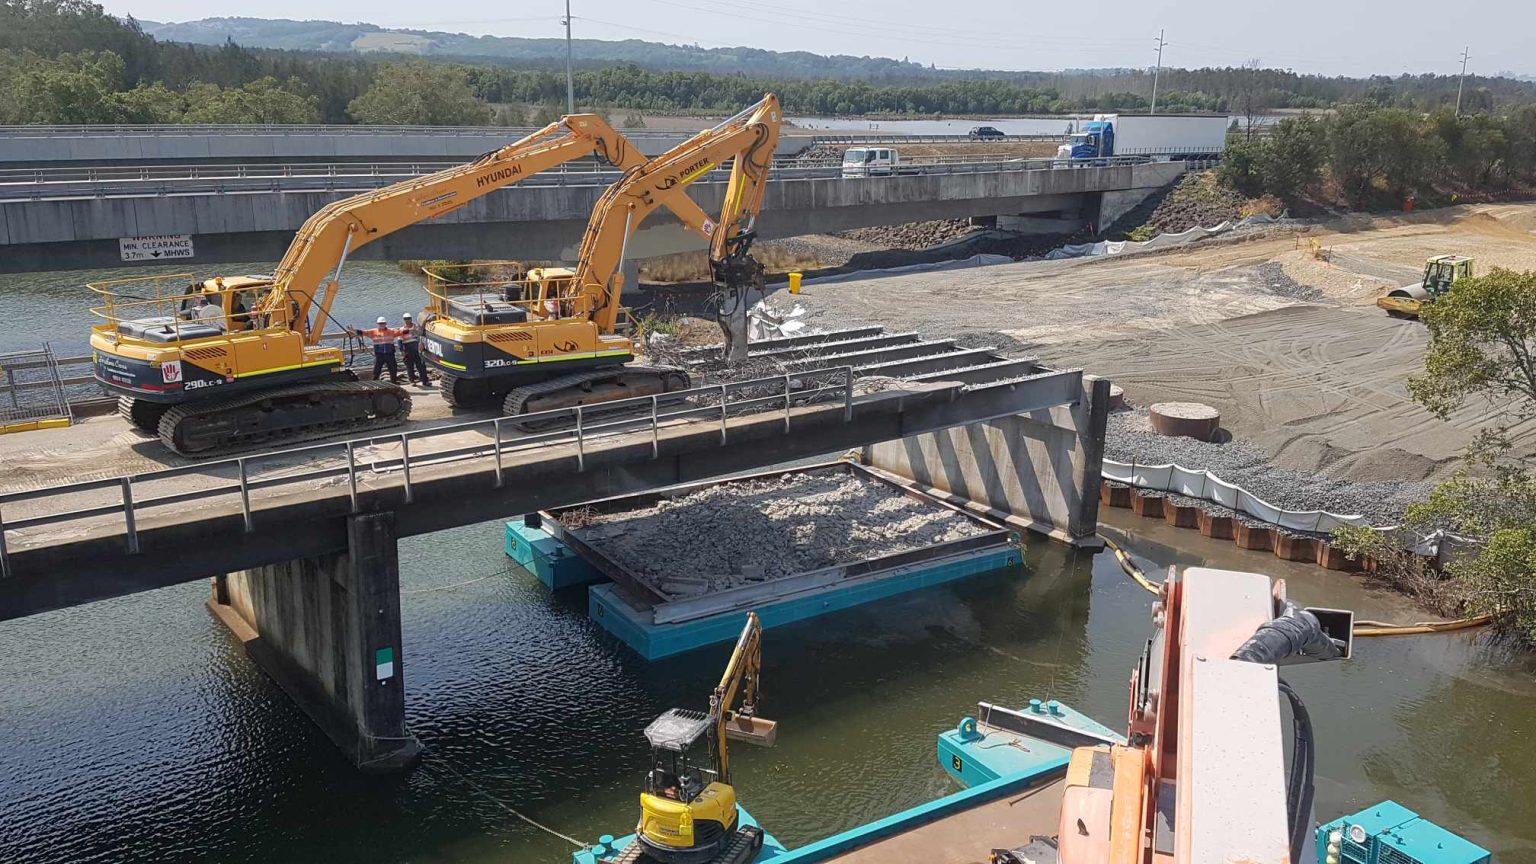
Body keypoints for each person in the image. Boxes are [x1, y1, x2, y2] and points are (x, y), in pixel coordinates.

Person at [350, 316, 401, 384]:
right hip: (379, 355)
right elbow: (363, 332)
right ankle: (375, 384)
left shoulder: (391, 331)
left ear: (386, 323)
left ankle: (394, 384)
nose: (382, 325)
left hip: (390, 354)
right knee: (376, 371)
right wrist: (354, 330)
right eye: (380, 323)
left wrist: (408, 329)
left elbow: (401, 332)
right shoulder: (373, 332)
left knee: (393, 370)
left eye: (383, 323)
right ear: (378, 324)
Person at [396, 312, 432, 387]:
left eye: (408, 318)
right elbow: (399, 341)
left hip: (417, 348)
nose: (407, 320)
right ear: (404, 320)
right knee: (409, 366)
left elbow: (422, 335)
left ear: (411, 319)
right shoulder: (402, 329)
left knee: (421, 366)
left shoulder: (416, 327)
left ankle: (425, 381)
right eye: (405, 319)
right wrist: (402, 351)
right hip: (408, 349)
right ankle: (412, 380)